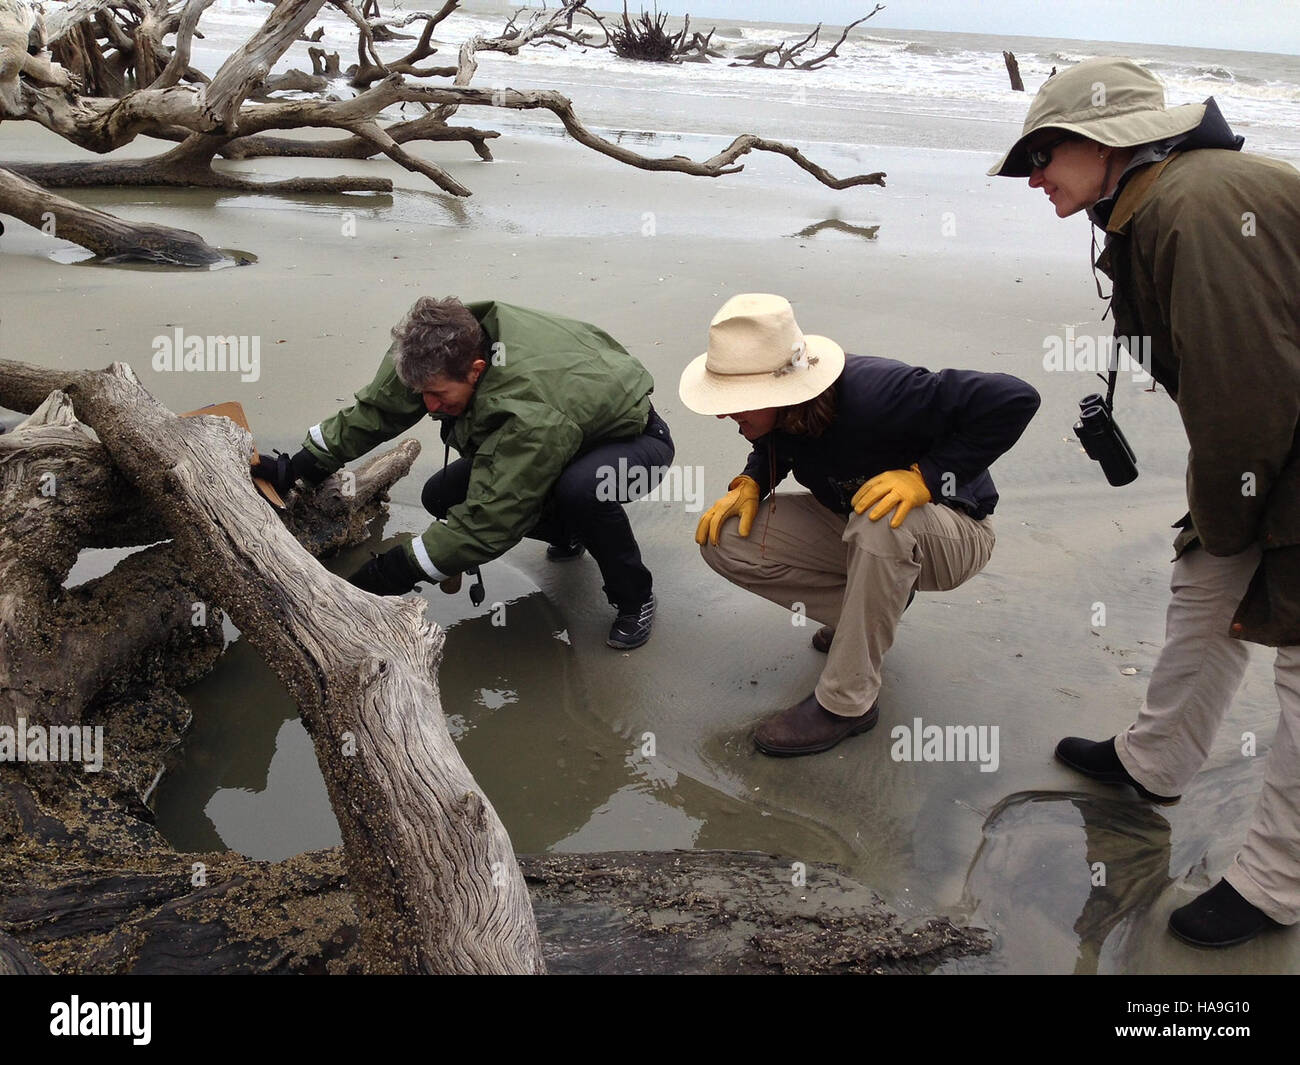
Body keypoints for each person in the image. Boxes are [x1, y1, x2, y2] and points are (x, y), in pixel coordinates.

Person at [990, 56, 1300, 948]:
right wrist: (1228, 521)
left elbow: (1245, 388)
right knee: (1207, 575)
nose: (1034, 178)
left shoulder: (1194, 207)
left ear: (1105, 140)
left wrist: (1240, 509)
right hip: (1275, 444)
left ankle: (1277, 880)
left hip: (1277, 441)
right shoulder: (1159, 199)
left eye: (1041, 155)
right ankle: (1154, 760)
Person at [678, 293, 1039, 756]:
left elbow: (1013, 398)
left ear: (778, 389)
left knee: (882, 521)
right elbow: (783, 445)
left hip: (954, 533)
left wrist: (925, 477)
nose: (726, 413)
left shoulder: (880, 391)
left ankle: (847, 704)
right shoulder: (786, 411)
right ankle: (869, 614)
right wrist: (753, 479)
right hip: (858, 526)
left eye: (738, 401)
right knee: (726, 536)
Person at [254, 296, 673, 649]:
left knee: (581, 491)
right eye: (422, 395)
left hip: (630, 442)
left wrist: (387, 575)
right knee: (441, 496)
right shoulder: (434, 346)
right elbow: (380, 410)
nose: (429, 406)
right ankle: (568, 533)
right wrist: (299, 467)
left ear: (476, 370)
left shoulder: (530, 414)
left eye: (438, 396)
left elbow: (491, 521)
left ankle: (635, 597)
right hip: (564, 427)